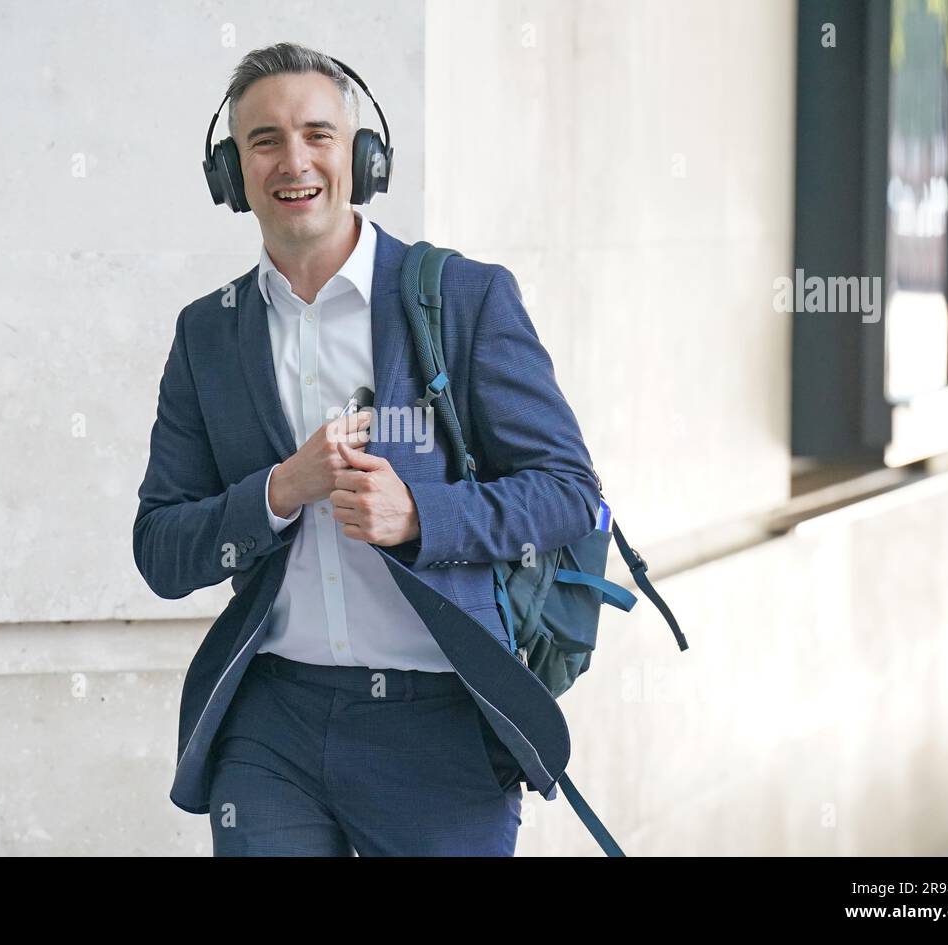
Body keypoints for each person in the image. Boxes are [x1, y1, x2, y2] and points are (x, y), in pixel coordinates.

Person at [133, 42, 603, 855]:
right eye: (264, 141)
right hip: (270, 724)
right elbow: (160, 549)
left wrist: (421, 514)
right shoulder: (207, 333)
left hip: (440, 727)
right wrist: (278, 490)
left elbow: (567, 491)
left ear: (362, 155)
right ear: (231, 171)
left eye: (318, 133)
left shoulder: (463, 297)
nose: (294, 160)